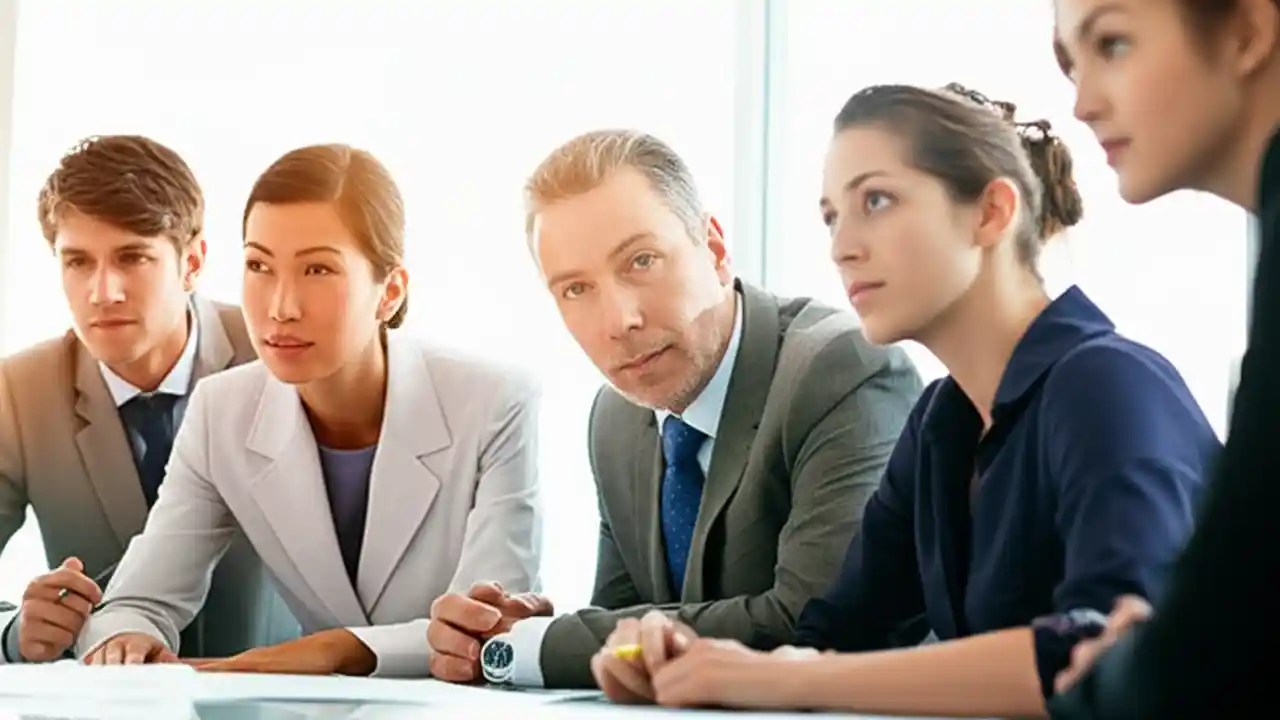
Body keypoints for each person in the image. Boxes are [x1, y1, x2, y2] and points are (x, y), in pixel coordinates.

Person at [603, 84, 1223, 717]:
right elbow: (833, 639)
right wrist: (674, 656)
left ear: (990, 212)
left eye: (877, 200)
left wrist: (776, 680)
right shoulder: (941, 424)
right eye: (831, 216)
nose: (842, 246)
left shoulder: (1107, 386)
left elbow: (1108, 653)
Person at [425, 130, 922, 692]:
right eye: (575, 289)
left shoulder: (841, 368)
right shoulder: (615, 417)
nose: (619, 321)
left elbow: (819, 622)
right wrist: (509, 632)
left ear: (713, 249)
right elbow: (625, 629)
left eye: (641, 261)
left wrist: (541, 647)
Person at [73, 144, 543, 678]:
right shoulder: (221, 410)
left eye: (318, 269)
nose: (281, 307)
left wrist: (335, 649)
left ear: (389, 292)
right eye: (258, 266)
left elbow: (492, 625)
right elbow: (138, 599)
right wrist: (127, 638)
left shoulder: (494, 402)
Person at [1048, 0, 1279, 716]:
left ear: (1247, 29)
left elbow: (1204, 663)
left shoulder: (1103, 380)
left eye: (1113, 43)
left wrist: (1113, 675)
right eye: (1070, 64)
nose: (1082, 103)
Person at [0, 135, 296, 665]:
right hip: (110, 703)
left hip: (287, 697)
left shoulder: (281, 361)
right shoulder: (19, 392)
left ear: (193, 261)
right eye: (77, 262)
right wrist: (13, 633)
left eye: (132, 257)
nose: (103, 291)